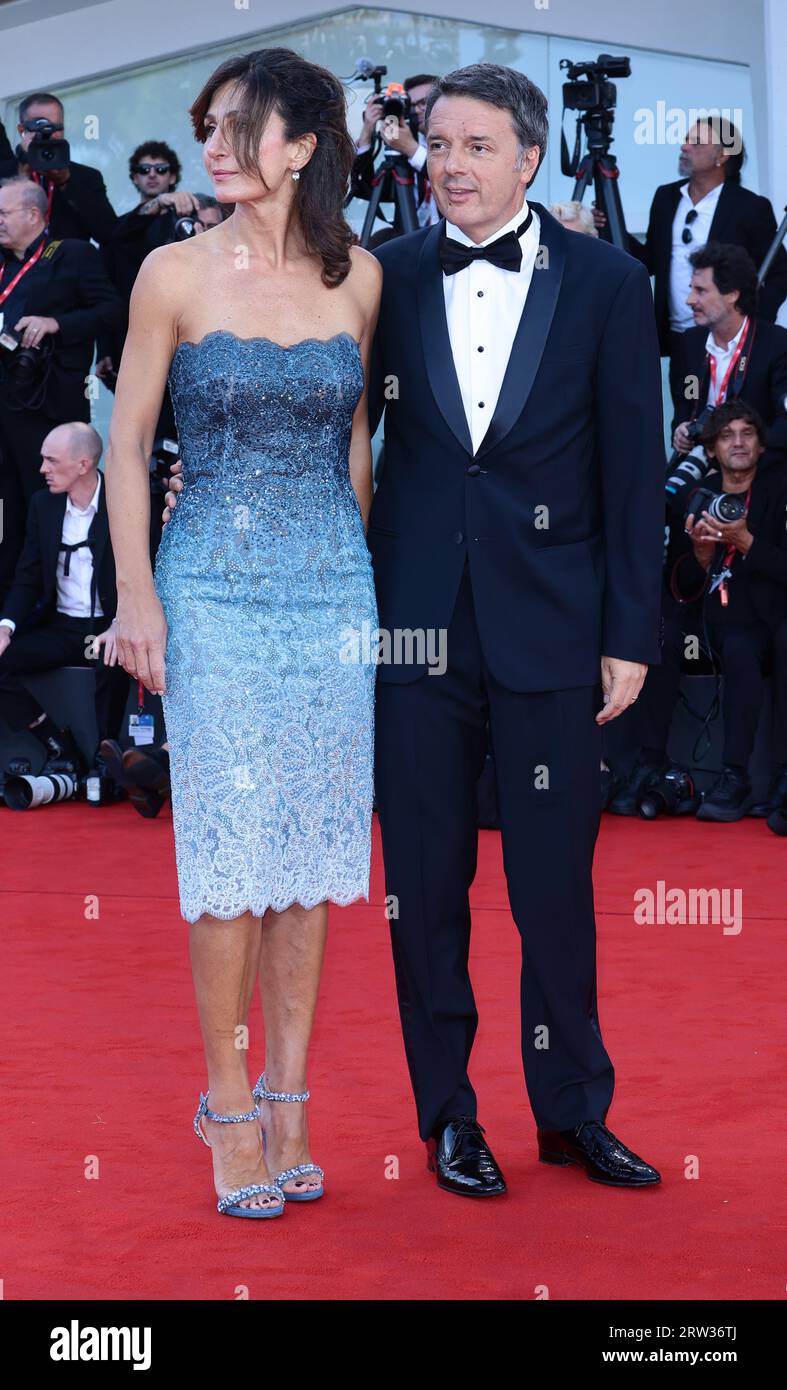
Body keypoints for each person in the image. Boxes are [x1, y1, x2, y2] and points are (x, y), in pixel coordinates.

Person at [170, 62, 666, 1196]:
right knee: (422, 891)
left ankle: (572, 1110)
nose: (451, 166)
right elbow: (310, 427)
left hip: (552, 626)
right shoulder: (376, 275)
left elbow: (634, 472)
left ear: (529, 157)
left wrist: (630, 631)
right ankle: (448, 1116)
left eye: (477, 146)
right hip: (408, 634)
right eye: (437, 145)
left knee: (554, 889)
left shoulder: (606, 283)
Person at [105, 47, 381, 1220]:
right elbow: (125, 447)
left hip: (332, 598)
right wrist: (136, 598)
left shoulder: (357, 276)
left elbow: (356, 441)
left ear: (302, 146)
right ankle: (225, 1102)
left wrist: (353, 575)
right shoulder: (169, 271)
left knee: (313, 859)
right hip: (210, 589)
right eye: (207, 126)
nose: (213, 146)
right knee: (227, 862)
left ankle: (291, 1096)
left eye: (237, 128)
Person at [631, 401, 787, 822]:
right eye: (726, 435)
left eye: (747, 433)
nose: (738, 442)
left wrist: (745, 541)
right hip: (702, 617)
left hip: (758, 617)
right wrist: (701, 556)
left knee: (740, 647)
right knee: (657, 635)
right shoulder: (693, 495)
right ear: (713, 450)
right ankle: (648, 764)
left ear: (761, 445)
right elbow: (678, 586)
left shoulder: (777, 493)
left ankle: (735, 776)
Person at [0, 176, 124, 601]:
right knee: (7, 509)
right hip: (4, 401)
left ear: (33, 214)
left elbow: (111, 309)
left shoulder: (71, 253)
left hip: (48, 406)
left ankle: (51, 604)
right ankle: (9, 608)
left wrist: (56, 325)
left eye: (3, 213)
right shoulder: (2, 262)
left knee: (45, 504)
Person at [611, 116, 787, 414]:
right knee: (687, 414)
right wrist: (610, 226)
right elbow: (650, 260)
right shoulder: (666, 197)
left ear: (722, 155)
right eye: (686, 140)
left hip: (732, 342)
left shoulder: (749, 207)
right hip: (684, 343)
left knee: (736, 420)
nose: (684, 146)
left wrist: (750, 320)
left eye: (697, 142)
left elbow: (780, 272)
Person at [0, 422, 125, 776]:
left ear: (83, 465)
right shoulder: (44, 506)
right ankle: (55, 741)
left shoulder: (122, 501)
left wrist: (120, 624)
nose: (42, 469)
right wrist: (5, 627)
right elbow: (27, 575)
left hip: (106, 628)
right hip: (61, 630)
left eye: (51, 461)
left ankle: (104, 762)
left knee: (112, 662)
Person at [671, 242, 787, 475]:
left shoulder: (777, 344)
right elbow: (689, 396)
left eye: (701, 291)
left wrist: (741, 464)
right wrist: (682, 428)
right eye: (691, 289)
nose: (689, 300)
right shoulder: (690, 344)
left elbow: (783, 423)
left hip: (762, 474)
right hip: (702, 467)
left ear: (733, 294)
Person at [6, 92, 118, 244]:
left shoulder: (87, 176)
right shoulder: (5, 172)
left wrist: (66, 182)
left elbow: (109, 233)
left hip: (67, 264)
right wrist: (23, 172)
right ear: (22, 130)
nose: (48, 133)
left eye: (55, 127)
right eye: (39, 125)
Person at [351, 74, 441, 233]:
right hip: (409, 238)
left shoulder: (458, 142)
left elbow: (451, 176)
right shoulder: (402, 145)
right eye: (411, 104)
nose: (418, 110)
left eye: (424, 102)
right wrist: (366, 134)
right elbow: (366, 189)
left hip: (449, 239)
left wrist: (411, 150)